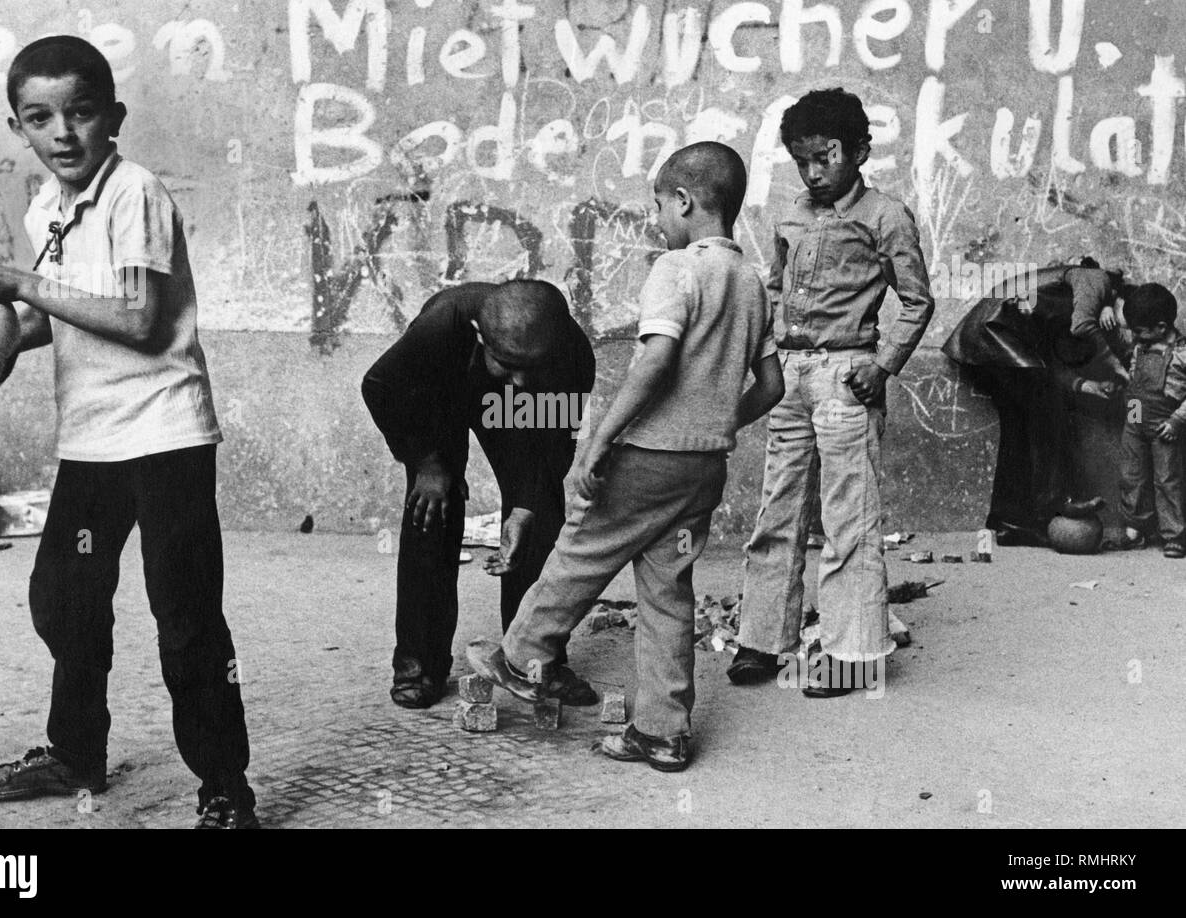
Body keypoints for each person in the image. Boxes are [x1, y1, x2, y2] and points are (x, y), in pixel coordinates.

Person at [0, 35, 256, 828]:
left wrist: (19, 282)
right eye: (41, 118)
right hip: (94, 441)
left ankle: (225, 790)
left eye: (80, 113)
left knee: (184, 622)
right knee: (64, 599)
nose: (63, 133)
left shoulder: (133, 193)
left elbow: (140, 321)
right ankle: (77, 751)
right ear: (19, 129)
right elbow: (63, 317)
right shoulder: (47, 205)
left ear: (113, 116)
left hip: (166, 436)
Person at [467, 141, 784, 772]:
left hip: (648, 458)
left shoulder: (675, 270)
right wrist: (718, 422)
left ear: (686, 201)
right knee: (668, 591)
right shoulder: (751, 283)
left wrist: (600, 439)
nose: (658, 220)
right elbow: (772, 387)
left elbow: (656, 361)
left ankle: (522, 655)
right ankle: (662, 733)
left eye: (660, 206)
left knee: (580, 554)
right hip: (704, 470)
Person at [727, 88, 934, 698]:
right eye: (803, 161)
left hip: (847, 379)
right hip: (789, 380)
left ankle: (854, 654)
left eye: (826, 158)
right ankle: (765, 640)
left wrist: (884, 364)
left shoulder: (885, 216)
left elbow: (918, 301)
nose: (814, 172)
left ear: (860, 152)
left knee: (851, 519)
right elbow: (773, 288)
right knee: (777, 512)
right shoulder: (790, 213)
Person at [362, 279, 597, 709]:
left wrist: (525, 506)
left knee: (541, 516)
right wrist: (426, 462)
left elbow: (553, 448)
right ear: (478, 335)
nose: (522, 380)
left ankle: (535, 659)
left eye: (533, 366)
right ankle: (419, 663)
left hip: (511, 411)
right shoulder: (442, 327)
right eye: (508, 363)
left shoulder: (570, 358)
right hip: (440, 393)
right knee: (432, 507)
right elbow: (378, 386)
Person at [942, 258, 1126, 546]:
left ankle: (1008, 523)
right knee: (1049, 415)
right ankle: (1058, 500)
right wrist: (1114, 362)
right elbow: (1081, 326)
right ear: (1119, 295)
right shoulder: (1095, 277)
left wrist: (1086, 385)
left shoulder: (1069, 302)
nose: (1118, 330)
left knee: (1018, 433)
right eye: (1125, 322)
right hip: (994, 334)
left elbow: (1048, 362)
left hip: (988, 338)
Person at [1105, 283, 1186, 557]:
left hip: (1165, 423)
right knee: (1132, 474)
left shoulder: (1182, 353)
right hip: (1136, 414)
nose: (1135, 337)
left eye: (1139, 331)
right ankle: (1135, 529)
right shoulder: (1141, 345)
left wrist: (1177, 420)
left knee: (1167, 479)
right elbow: (1133, 376)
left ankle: (1173, 535)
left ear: (1161, 327)